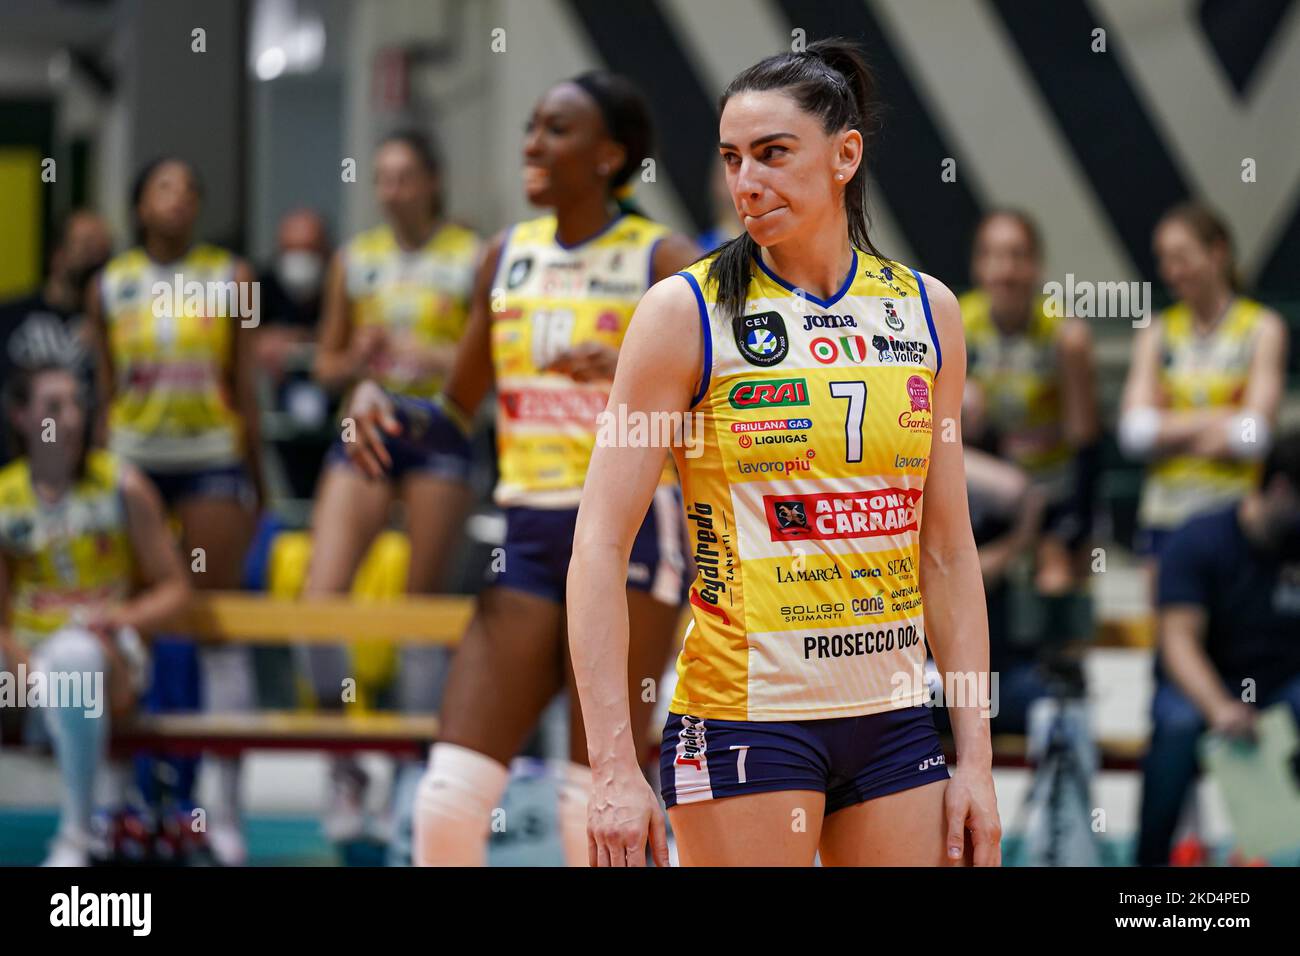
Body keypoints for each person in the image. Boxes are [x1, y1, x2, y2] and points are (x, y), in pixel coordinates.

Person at [566, 39, 1000, 866]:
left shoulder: (928, 312)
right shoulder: (683, 313)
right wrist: (613, 766)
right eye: (732, 159)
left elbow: (946, 549)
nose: (746, 182)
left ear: (845, 155)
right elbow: (597, 546)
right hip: (745, 719)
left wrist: (975, 756)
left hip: (895, 721)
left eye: (772, 154)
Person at [341, 71, 699, 866]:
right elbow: (449, 418)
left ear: (610, 155)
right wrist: (375, 400)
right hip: (530, 532)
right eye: (532, 125)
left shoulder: (662, 259)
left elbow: (735, 409)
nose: (532, 143)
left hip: (635, 531)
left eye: (557, 129)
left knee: (595, 798)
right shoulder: (503, 256)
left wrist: (635, 370)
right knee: (446, 799)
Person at [301, 131, 480, 852]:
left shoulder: (473, 255)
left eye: (405, 176)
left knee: (420, 613)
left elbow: (493, 355)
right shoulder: (356, 259)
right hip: (370, 425)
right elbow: (323, 364)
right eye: (382, 177)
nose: (392, 189)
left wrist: (439, 354)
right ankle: (346, 768)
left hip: (438, 428)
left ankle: (416, 778)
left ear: (433, 181)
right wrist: (357, 357)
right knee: (319, 601)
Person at [86, 157, 264, 865]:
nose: (180, 199)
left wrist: (258, 479)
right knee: (128, 624)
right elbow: (103, 392)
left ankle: (223, 810)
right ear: (139, 204)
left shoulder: (233, 278)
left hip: (213, 457)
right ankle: (118, 801)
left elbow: (244, 380)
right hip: (133, 460)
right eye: (165, 186)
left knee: (217, 625)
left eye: (193, 189)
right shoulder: (110, 285)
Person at [0, 362, 190, 866]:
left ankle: (77, 837)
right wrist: (22, 666)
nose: (71, 418)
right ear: (21, 417)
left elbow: (176, 590)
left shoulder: (121, 486)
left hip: (108, 654)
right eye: (53, 407)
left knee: (76, 660)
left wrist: (123, 619)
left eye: (77, 405)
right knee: (52, 671)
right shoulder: (4, 498)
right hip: (25, 660)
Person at [1136, 433, 1300, 865]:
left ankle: (1268, 848)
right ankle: (1150, 858)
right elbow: (1177, 640)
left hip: (1279, 689)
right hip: (1201, 688)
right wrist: (1220, 708)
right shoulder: (1200, 541)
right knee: (1177, 726)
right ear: (1282, 488)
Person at [1119, 201, 1288, 568]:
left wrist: (1167, 427)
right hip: (1164, 514)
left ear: (1218, 252)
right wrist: (1224, 417)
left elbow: (1253, 435)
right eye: (1164, 259)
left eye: (1181, 257)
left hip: (1233, 514)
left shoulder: (1262, 329)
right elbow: (1134, 434)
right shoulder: (1156, 332)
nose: (1171, 271)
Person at [960, 210, 1098, 631]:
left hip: (1052, 489)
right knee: (965, 573)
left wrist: (1077, 528)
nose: (1006, 271)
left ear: (1037, 266)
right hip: (987, 491)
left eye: (1018, 256)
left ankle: (1057, 685)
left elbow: (1085, 440)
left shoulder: (1064, 336)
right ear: (978, 264)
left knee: (1055, 575)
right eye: (995, 256)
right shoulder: (956, 321)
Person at [0, 210, 111, 468]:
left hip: (81, 472)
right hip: (11, 470)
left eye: (104, 249)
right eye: (86, 245)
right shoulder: (10, 317)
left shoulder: (112, 326)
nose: (97, 257)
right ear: (58, 256)